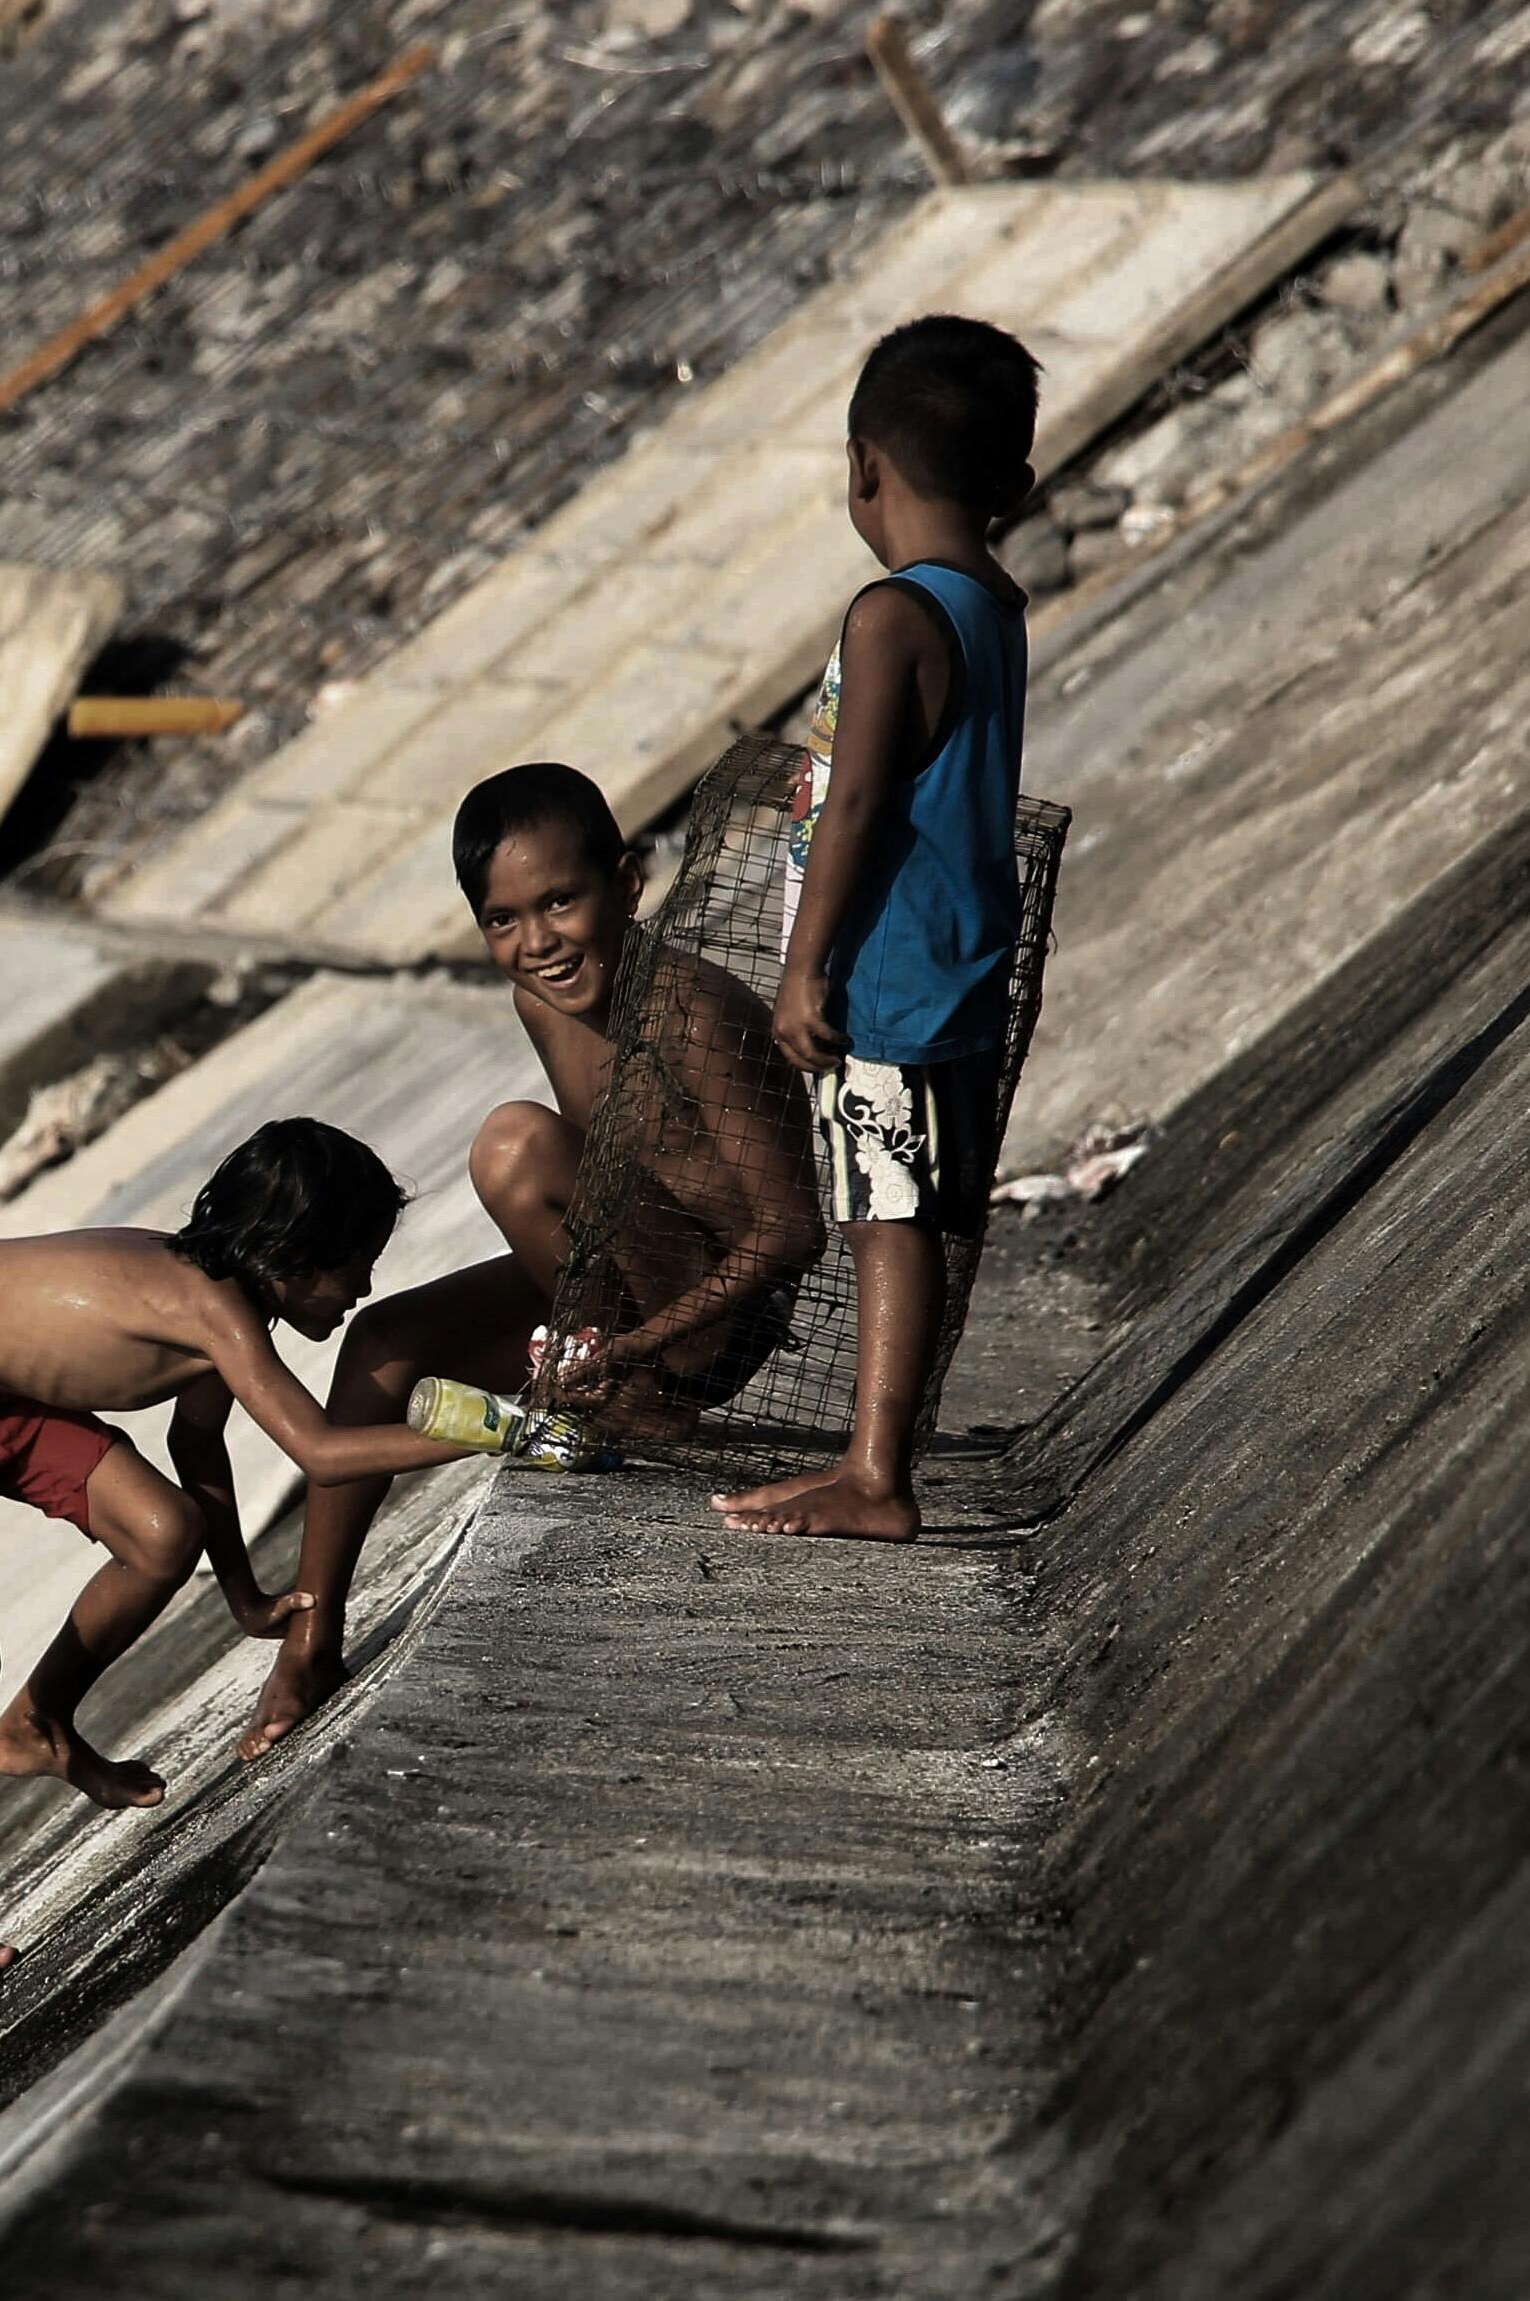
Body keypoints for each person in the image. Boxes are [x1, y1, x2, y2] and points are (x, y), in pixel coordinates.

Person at [0, 1118, 486, 2007]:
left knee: (165, 1532)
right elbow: (323, 1452)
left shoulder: (229, 1296)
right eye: (352, 1266)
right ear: (287, 1255)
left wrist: (242, 1594)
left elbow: (196, 1440)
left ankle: (38, 1721)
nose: (363, 1288)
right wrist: (491, 1432)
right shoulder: (211, 1307)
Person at [236, 765, 821, 1760]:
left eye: (559, 902)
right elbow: (600, 1180)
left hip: (708, 1325)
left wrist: (633, 1347)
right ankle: (310, 1638)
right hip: (628, 1282)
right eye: (503, 920)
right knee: (382, 1342)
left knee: (511, 1144)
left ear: (627, 883)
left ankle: (639, 1404)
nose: (538, 941)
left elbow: (791, 1230)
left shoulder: (687, 1013)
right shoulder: (543, 998)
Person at [719, 315, 1039, 1541]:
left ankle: (874, 1476)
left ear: (862, 466)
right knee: (897, 1206)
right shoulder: (989, 605)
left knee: (884, 1213)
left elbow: (854, 802)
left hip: (886, 976)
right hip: (953, 955)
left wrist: (805, 970)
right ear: (1013, 485)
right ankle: (871, 1464)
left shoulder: (889, 616)